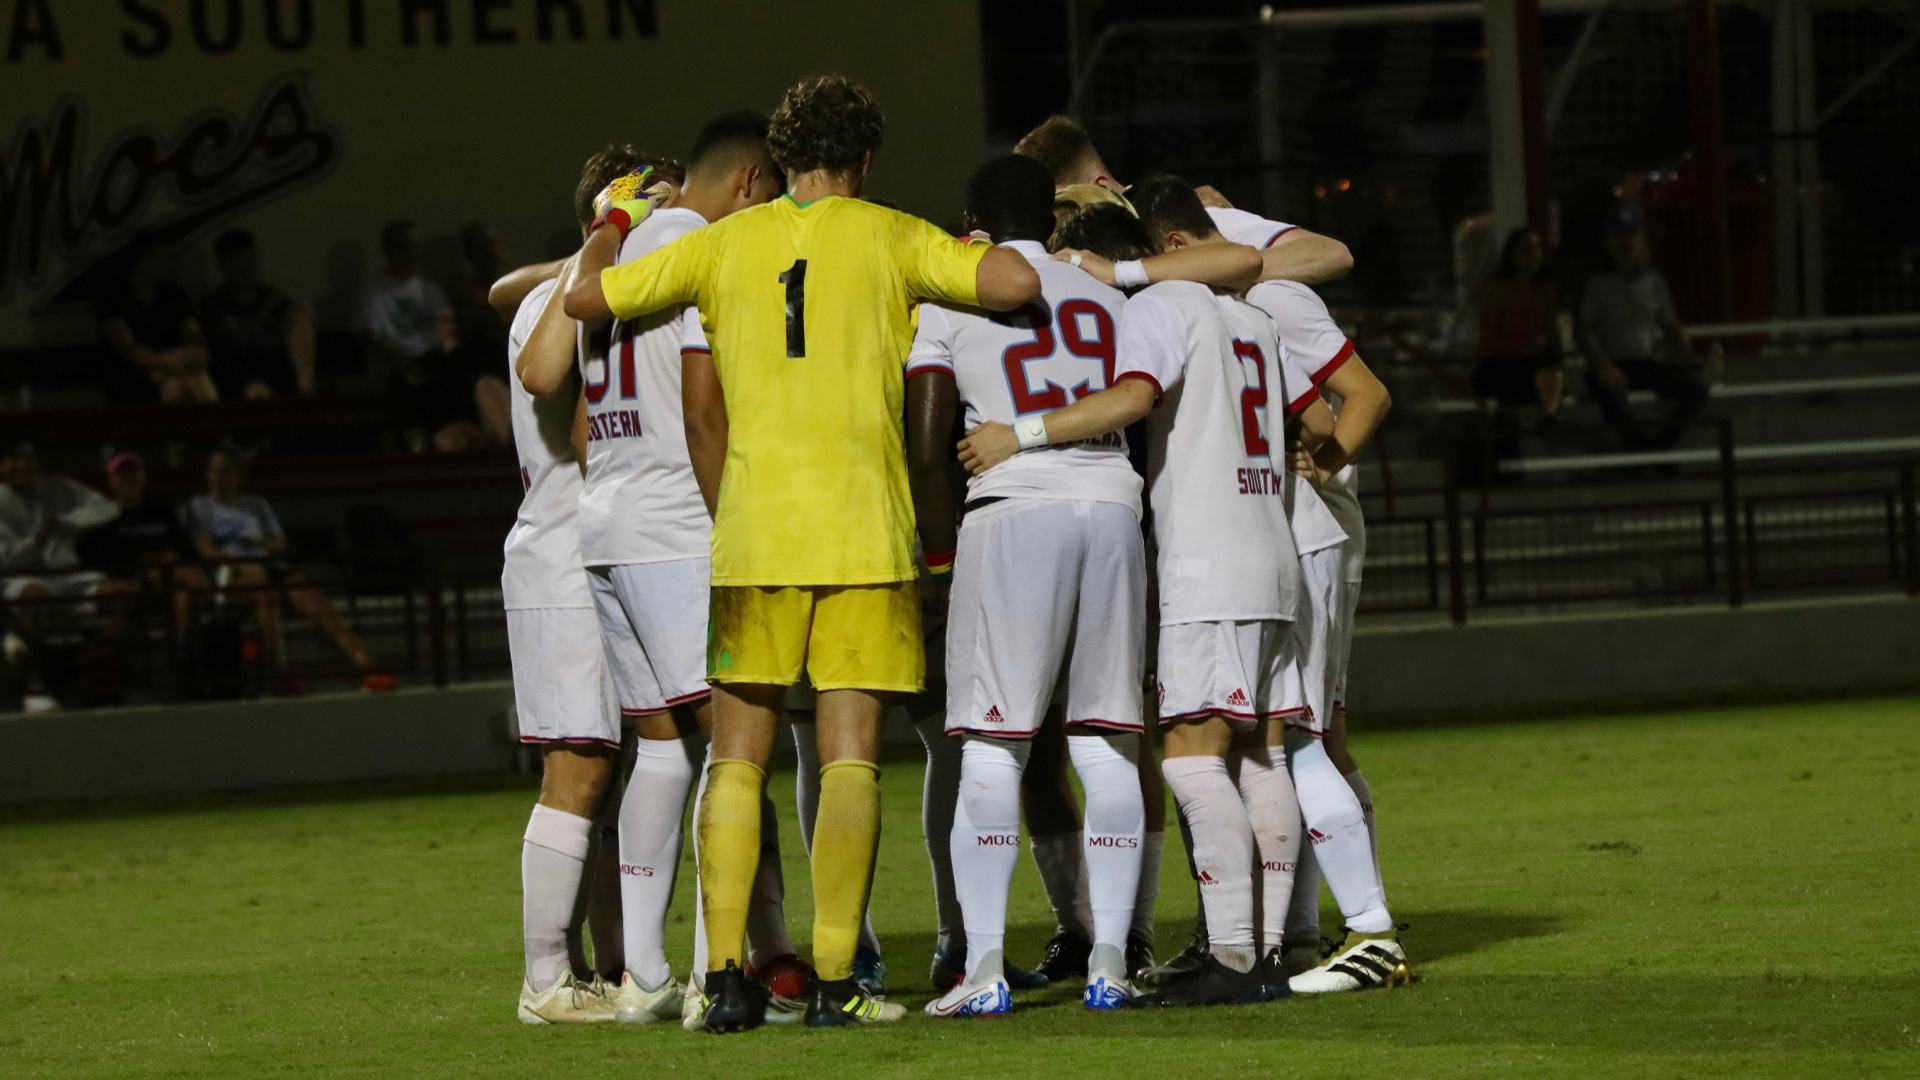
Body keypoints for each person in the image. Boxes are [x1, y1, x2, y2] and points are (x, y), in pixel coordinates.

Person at [562, 73, 1041, 1032]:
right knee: (849, 753)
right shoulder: (895, 235)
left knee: (736, 756)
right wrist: (975, 247)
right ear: (864, 160)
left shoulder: (720, 243)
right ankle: (834, 981)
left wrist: (613, 221)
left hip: (752, 537)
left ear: (778, 159)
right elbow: (1017, 284)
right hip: (864, 532)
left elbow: (585, 301)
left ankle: (728, 976)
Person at [911, 155, 1271, 1017]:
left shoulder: (952, 294)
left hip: (1011, 509)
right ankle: (1113, 958)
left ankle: (986, 969)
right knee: (1108, 738)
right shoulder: (1113, 295)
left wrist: (936, 558)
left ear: (973, 220)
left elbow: (929, 436)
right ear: (1051, 217)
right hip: (1112, 503)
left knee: (994, 747)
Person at [520, 117, 812, 1029]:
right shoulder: (700, 249)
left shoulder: (616, 259)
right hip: (679, 527)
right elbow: (702, 404)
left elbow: (568, 386)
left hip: (607, 521)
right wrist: (741, 522)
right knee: (735, 747)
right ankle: (718, 972)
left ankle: (646, 972)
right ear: (750, 183)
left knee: (660, 746)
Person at [1014, 114, 1354, 286]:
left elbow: (1333, 254)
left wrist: (1212, 267)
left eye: (1069, 204)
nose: (1064, 221)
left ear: (1101, 186)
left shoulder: (1183, 213)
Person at [182, 447, 393, 694]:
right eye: (213, 471)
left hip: (269, 566)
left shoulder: (256, 504)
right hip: (230, 573)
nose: (217, 478)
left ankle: (369, 667)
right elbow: (206, 550)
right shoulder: (198, 507)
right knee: (265, 595)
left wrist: (258, 544)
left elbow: (279, 545)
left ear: (239, 476)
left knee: (315, 602)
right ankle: (279, 673)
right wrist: (241, 561)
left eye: (225, 472)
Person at [359, 221, 510, 451]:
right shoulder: (373, 291)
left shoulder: (432, 291)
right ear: (388, 251)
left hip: (437, 361)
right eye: (403, 247)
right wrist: (408, 360)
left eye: (414, 246)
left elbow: (447, 334)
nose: (410, 253)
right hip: (401, 365)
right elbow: (370, 339)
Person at [1578, 210, 1711, 450]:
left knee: (1696, 391)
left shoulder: (1653, 280)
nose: (1626, 242)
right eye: (1619, 236)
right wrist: (1602, 364)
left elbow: (1669, 324)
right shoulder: (1596, 282)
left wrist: (1688, 355)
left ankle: (1656, 448)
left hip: (1647, 362)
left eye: (1632, 235)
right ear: (1608, 241)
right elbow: (1584, 330)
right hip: (1613, 362)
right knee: (1613, 397)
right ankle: (1643, 452)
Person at [0, 439, 124, 644]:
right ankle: (39, 668)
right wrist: (35, 544)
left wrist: (68, 520)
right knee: (34, 599)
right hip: (21, 578)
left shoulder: (59, 486)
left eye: (27, 458)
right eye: (14, 459)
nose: (22, 465)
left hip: (68, 575)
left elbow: (107, 508)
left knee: (123, 594)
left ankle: (101, 659)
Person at [77, 452, 208, 636]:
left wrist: (173, 558)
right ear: (111, 481)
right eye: (123, 476)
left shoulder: (162, 512)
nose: (129, 480)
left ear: (143, 478)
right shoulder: (102, 520)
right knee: (170, 577)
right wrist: (149, 559)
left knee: (183, 595)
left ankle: (183, 648)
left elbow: (184, 546)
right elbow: (101, 556)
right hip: (137, 578)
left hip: (171, 575)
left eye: (134, 474)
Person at [97, 231, 217, 404]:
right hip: (133, 374)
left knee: (194, 382)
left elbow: (194, 337)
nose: (169, 264)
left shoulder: (174, 294)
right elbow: (126, 347)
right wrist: (164, 362)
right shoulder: (114, 296)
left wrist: (192, 355)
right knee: (177, 387)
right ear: (142, 261)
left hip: (175, 370)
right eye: (163, 258)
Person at [198, 229, 316, 399]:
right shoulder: (213, 304)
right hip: (239, 375)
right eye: (239, 264)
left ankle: (306, 391)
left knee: (300, 317)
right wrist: (268, 307)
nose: (246, 269)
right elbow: (237, 341)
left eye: (249, 261)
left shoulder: (273, 298)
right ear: (224, 264)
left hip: (280, 370)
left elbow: (298, 326)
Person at [1471, 227, 1563, 418]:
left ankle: (1550, 415)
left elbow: (1551, 331)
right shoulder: (1497, 291)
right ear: (1513, 254)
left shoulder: (1545, 291)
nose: (1534, 254)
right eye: (1526, 249)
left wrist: (1543, 341)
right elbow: (1488, 338)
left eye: (1537, 248)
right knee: (1515, 375)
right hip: (1501, 359)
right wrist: (1521, 346)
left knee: (1550, 365)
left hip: (1534, 359)